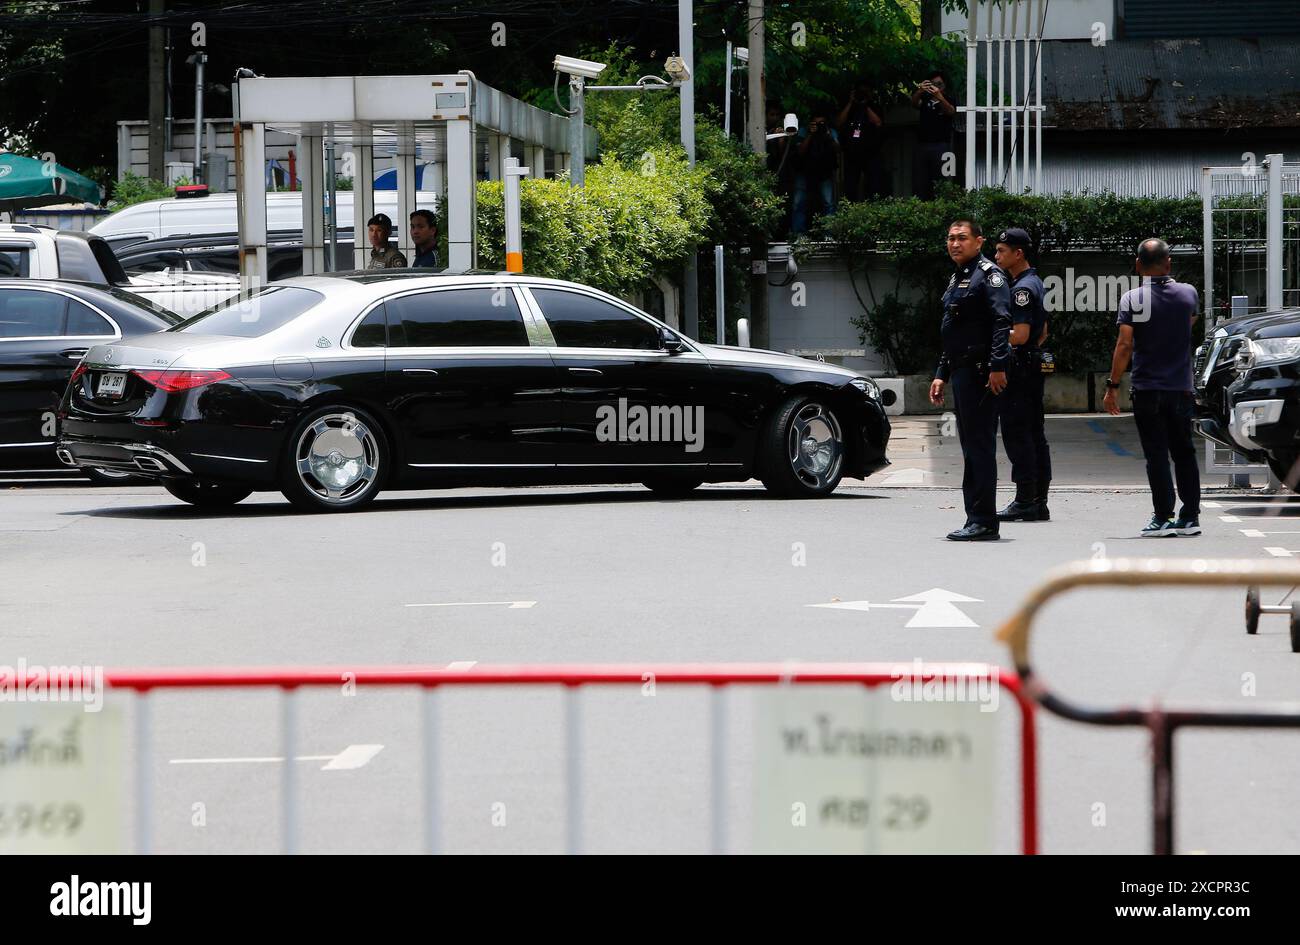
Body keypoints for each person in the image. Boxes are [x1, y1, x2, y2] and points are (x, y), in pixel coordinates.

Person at [1103, 238, 1201, 537]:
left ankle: (1163, 517)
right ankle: (1190, 517)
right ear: (1168, 263)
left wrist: (1112, 385)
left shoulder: (1133, 299)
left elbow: (1124, 345)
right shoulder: (1188, 293)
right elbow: (1189, 323)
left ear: (1137, 265)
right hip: (1181, 387)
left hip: (1147, 388)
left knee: (1156, 454)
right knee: (1184, 452)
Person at [929, 219, 1012, 541]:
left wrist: (997, 366)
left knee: (979, 447)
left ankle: (984, 522)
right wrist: (942, 374)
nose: (955, 243)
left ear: (979, 241)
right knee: (970, 448)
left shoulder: (989, 275)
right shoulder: (959, 276)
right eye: (951, 238)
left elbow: (1001, 321)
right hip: (962, 371)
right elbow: (953, 330)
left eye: (962, 238)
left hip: (980, 373)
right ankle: (974, 518)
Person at [993, 228, 1053, 522]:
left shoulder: (1021, 290)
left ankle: (1025, 500)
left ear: (1018, 254)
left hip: (1019, 368)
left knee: (1018, 433)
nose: (996, 256)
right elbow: (1044, 332)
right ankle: (1038, 501)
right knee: (1034, 433)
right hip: (1031, 365)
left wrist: (993, 338)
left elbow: (1021, 335)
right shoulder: (1035, 283)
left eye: (1001, 251)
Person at [837, 79, 885, 201]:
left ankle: (873, 208)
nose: (862, 94)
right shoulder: (850, 107)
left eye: (866, 92)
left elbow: (878, 123)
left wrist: (865, 104)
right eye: (860, 92)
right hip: (851, 153)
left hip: (871, 153)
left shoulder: (874, 106)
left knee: (874, 186)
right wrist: (851, 102)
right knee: (850, 187)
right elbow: (839, 123)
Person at [910, 71, 956, 199]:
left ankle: (945, 206)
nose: (936, 87)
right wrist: (920, 90)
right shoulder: (925, 99)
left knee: (944, 180)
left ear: (944, 85)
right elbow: (914, 103)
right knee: (920, 182)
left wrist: (939, 97)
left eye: (939, 84)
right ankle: (922, 207)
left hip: (943, 146)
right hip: (922, 145)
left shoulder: (949, 99)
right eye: (933, 84)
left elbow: (950, 111)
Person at [790, 115, 839, 235]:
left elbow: (838, 149)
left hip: (824, 171)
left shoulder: (830, 132)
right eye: (816, 123)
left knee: (828, 202)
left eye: (821, 123)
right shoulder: (804, 131)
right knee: (799, 202)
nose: (819, 126)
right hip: (804, 170)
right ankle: (799, 234)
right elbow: (800, 151)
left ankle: (829, 233)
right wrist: (810, 134)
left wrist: (828, 136)